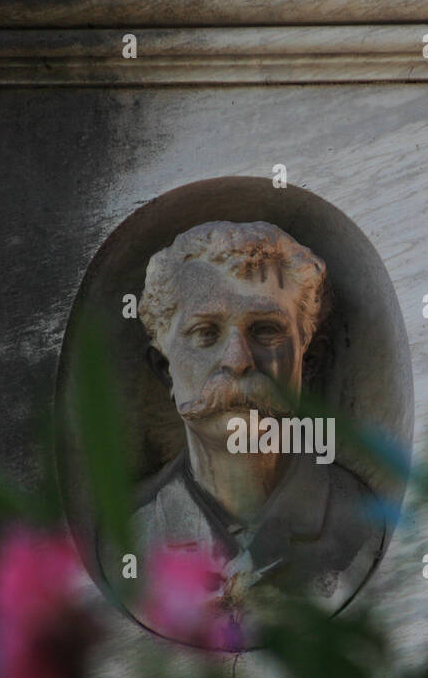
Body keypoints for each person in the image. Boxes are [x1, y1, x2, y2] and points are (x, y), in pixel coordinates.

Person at [100, 220, 384, 644]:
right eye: (205, 333)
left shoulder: (363, 525)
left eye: (265, 330)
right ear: (165, 370)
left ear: (308, 361)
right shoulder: (128, 543)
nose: (237, 361)